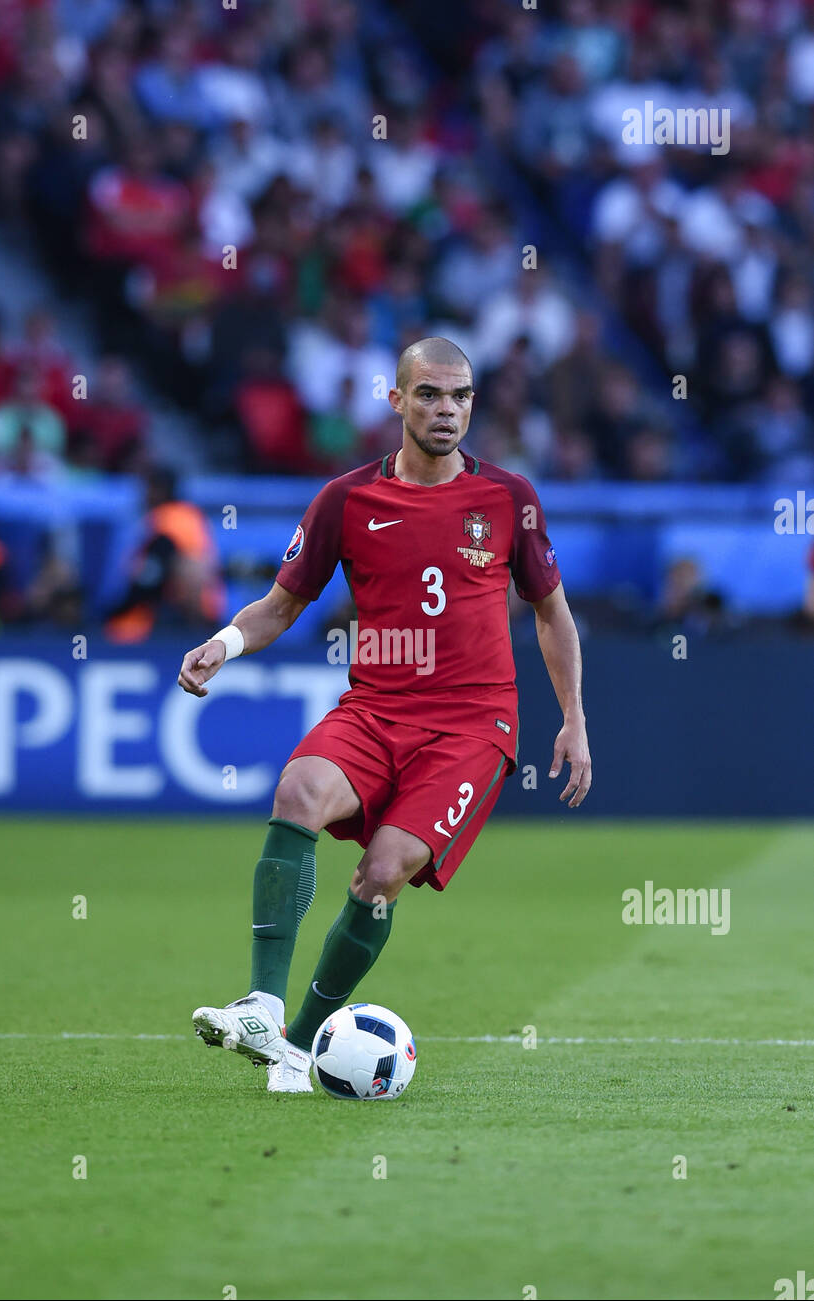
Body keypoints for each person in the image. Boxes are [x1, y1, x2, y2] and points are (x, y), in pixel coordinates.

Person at [177, 337, 592, 1093]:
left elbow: (550, 613)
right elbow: (282, 605)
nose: (447, 409)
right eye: (430, 394)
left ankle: (298, 1047)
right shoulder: (346, 499)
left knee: (380, 874)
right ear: (396, 401)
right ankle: (264, 1008)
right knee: (297, 791)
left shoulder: (509, 499)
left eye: (461, 395)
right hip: (374, 708)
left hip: (471, 725)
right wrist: (224, 643)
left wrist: (573, 716)